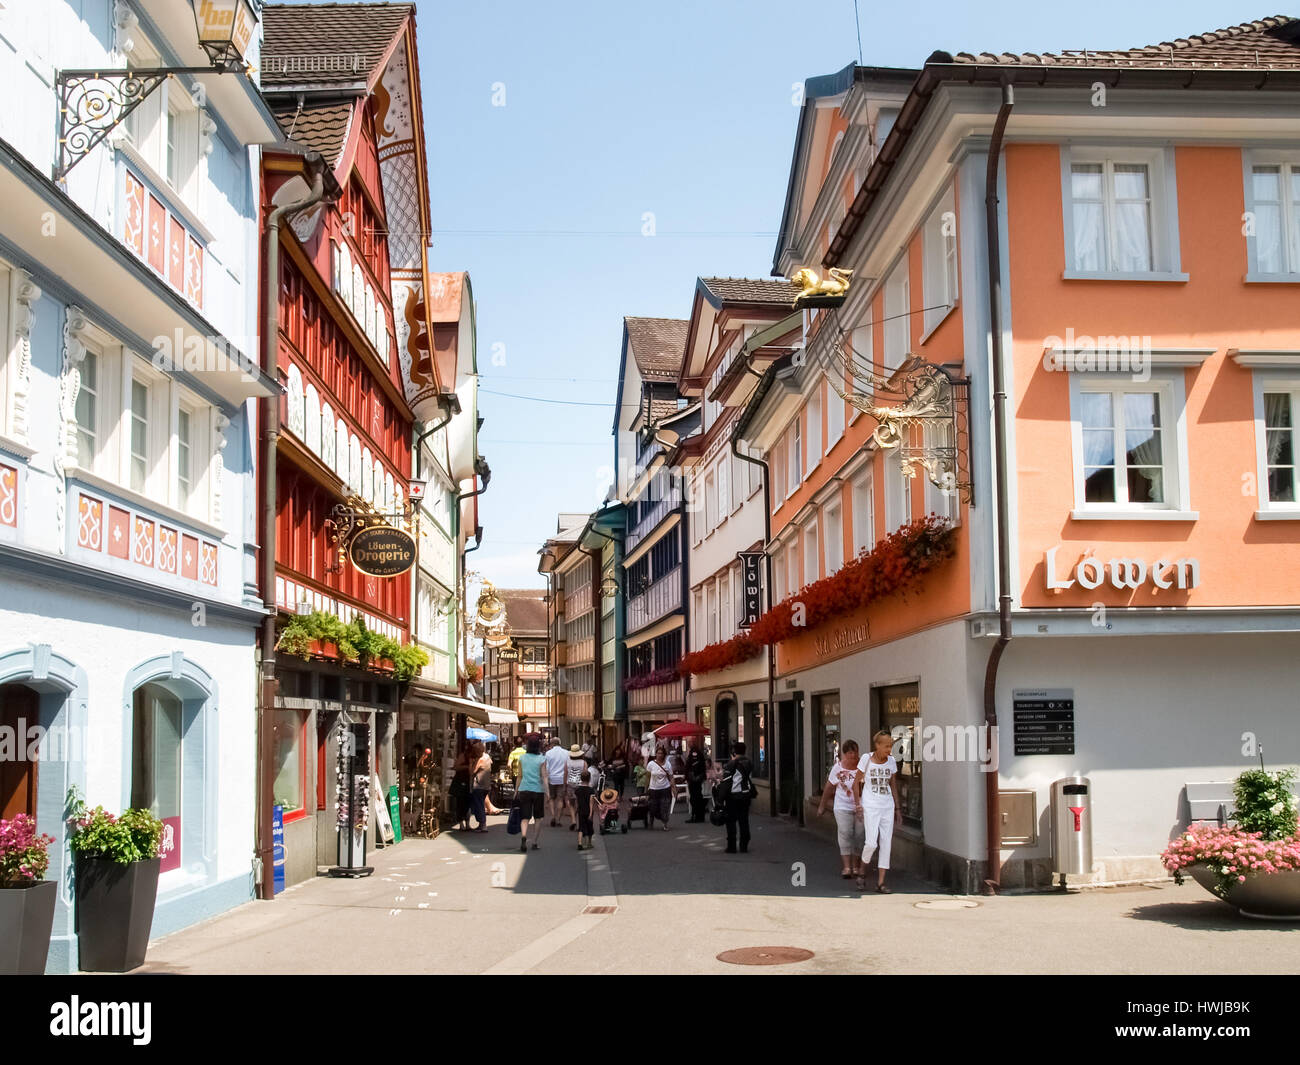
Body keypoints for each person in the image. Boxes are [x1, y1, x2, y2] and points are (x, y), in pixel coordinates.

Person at [860, 731, 902, 893]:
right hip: (870, 805)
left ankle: (881, 883)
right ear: (877, 745)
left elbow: (893, 785)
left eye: (891, 746)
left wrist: (897, 808)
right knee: (871, 842)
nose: (889, 749)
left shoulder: (891, 761)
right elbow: (857, 781)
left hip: (887, 805)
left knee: (886, 843)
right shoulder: (866, 759)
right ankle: (862, 869)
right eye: (886, 746)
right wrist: (858, 804)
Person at [817, 739, 864, 880]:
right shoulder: (838, 768)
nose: (853, 755)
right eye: (850, 752)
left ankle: (856, 865)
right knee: (845, 833)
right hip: (842, 806)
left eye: (855, 752)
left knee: (860, 835)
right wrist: (822, 806)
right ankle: (847, 866)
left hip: (861, 806)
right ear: (844, 754)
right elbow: (829, 788)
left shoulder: (863, 766)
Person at [516, 735, 548, 852]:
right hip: (538, 790)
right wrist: (548, 793)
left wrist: (516, 791)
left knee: (525, 817)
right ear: (538, 746)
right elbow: (544, 777)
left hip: (524, 789)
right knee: (538, 817)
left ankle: (524, 836)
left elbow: (519, 776)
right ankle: (534, 842)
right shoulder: (541, 759)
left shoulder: (522, 758)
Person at [722, 742, 755, 854]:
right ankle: (744, 845)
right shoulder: (749, 763)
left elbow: (726, 783)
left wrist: (720, 799)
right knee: (744, 820)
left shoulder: (731, 764)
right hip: (745, 795)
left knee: (731, 821)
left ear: (734, 752)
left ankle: (731, 846)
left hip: (733, 796)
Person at [544, 736, 571, 827]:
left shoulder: (548, 753)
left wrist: (546, 779)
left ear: (552, 744)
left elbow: (546, 768)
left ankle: (553, 816)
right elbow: (568, 766)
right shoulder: (566, 753)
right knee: (560, 799)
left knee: (551, 798)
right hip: (562, 778)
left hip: (552, 778)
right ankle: (558, 819)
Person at [646, 748, 673, 830]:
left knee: (665, 807)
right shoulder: (651, 764)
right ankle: (651, 822)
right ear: (656, 754)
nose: (659, 755)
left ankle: (665, 824)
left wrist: (674, 788)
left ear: (664, 755)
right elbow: (648, 777)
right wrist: (646, 788)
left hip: (665, 788)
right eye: (658, 753)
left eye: (661, 753)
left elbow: (671, 777)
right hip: (653, 789)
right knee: (653, 807)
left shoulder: (667, 764)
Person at [467, 740, 492, 832]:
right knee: (480, 804)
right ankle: (481, 824)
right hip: (486, 785)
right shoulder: (487, 757)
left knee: (479, 805)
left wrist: (470, 763)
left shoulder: (480, 760)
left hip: (479, 785)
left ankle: (483, 824)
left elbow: (472, 772)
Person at [451, 742, 473, 831]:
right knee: (460, 803)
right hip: (460, 781)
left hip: (468, 781)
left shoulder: (473, 757)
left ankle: (467, 823)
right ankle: (461, 823)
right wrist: (467, 766)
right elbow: (455, 767)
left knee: (467, 803)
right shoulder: (463, 756)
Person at [684, 742, 707, 823]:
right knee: (697, 798)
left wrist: (690, 777)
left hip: (694, 780)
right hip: (696, 779)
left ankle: (696, 816)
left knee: (695, 798)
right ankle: (699, 816)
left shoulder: (694, 753)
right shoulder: (699, 753)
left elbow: (693, 766)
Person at [565, 744, 586, 831]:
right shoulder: (583, 763)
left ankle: (573, 820)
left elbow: (565, 773)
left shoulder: (567, 762)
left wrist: (564, 784)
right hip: (580, 785)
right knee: (579, 804)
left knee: (571, 804)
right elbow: (586, 774)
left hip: (570, 784)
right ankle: (578, 824)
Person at [574, 769, 597, 850]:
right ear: (590, 779)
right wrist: (591, 813)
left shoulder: (577, 790)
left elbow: (576, 801)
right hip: (588, 811)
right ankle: (589, 843)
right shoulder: (591, 790)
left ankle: (580, 843)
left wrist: (576, 811)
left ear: (581, 778)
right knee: (589, 827)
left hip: (581, 810)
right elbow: (591, 803)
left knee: (581, 827)